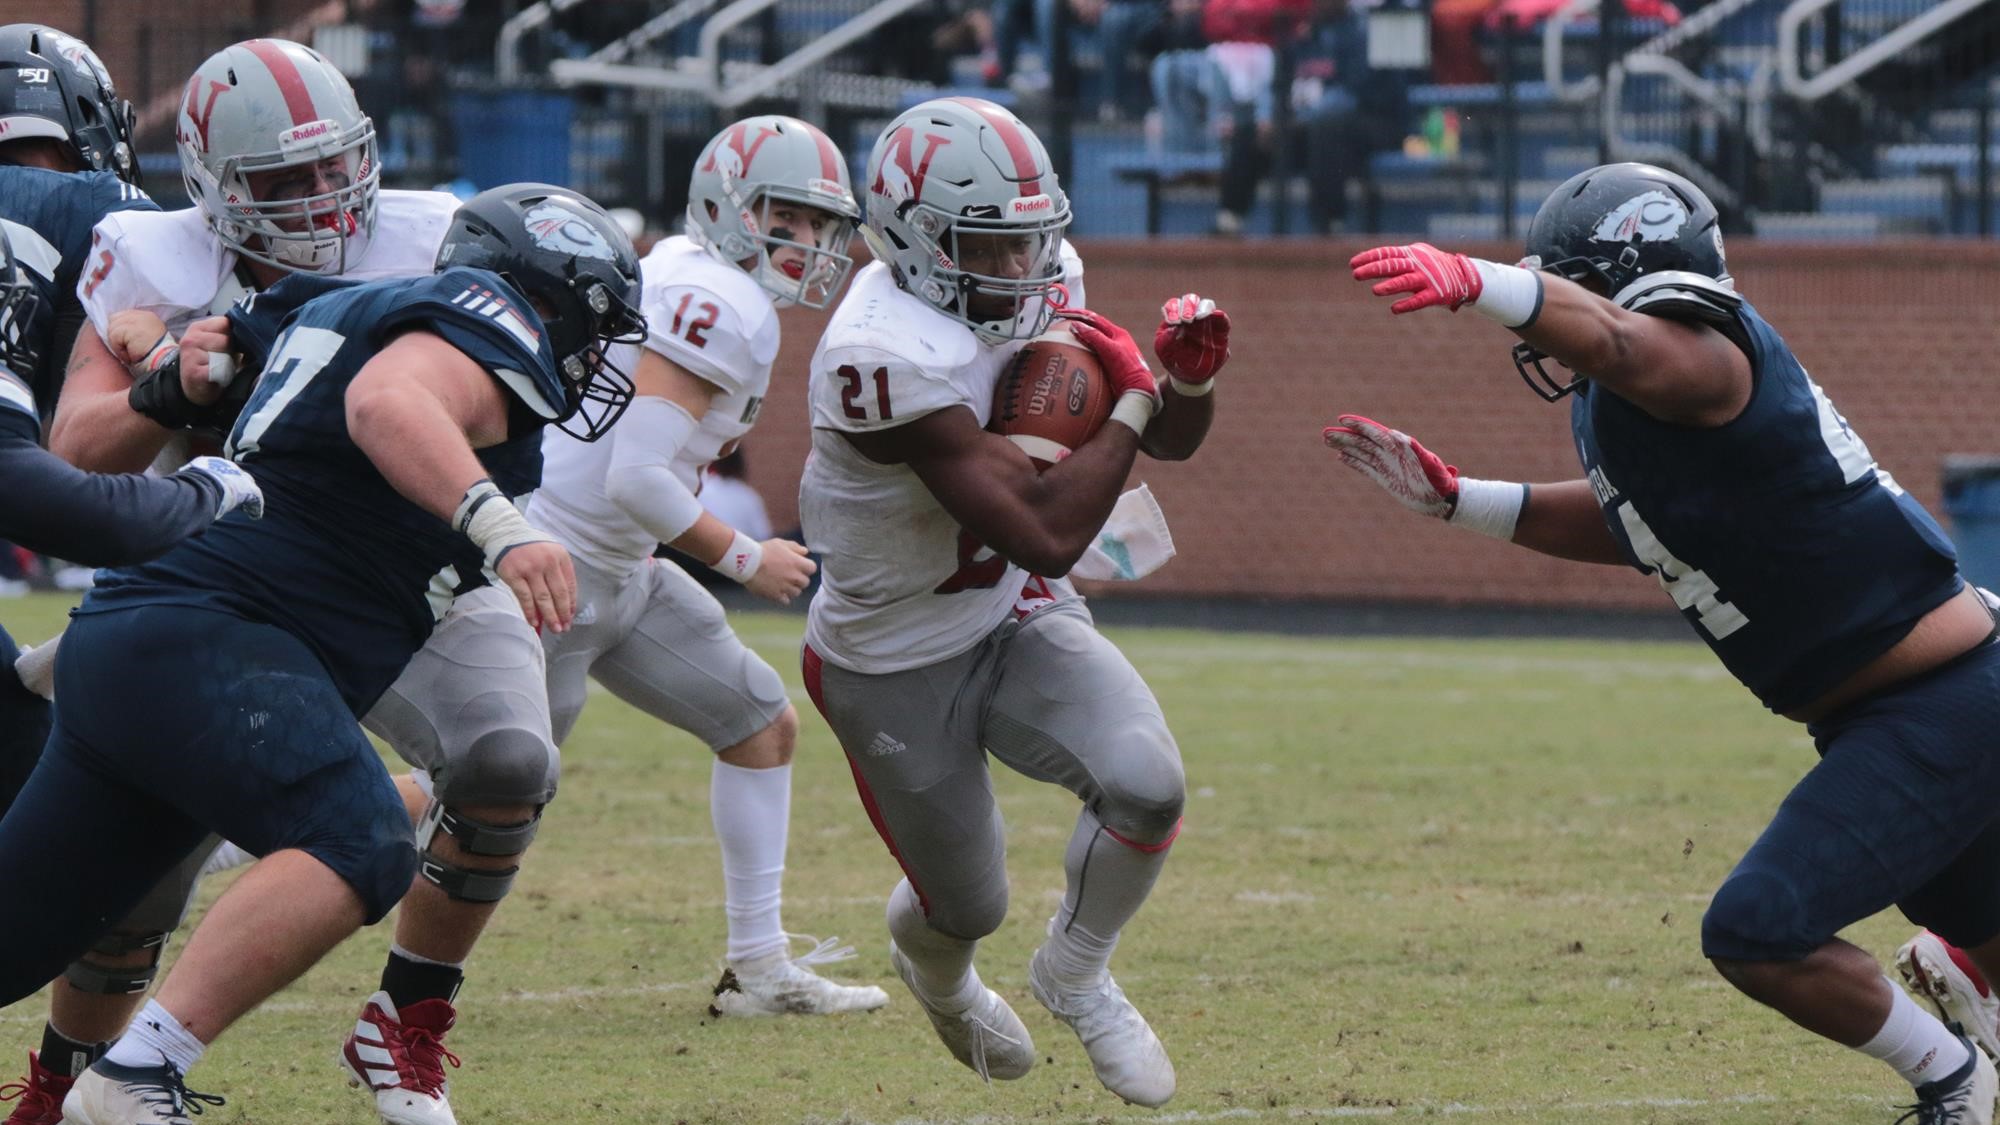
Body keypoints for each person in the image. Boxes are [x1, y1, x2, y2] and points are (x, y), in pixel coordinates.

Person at [1325, 161, 2000, 1124]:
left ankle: (1954, 1078)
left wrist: (1482, 283)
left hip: (1938, 705)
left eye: (1568, 282)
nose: (1562, 310)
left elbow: (1615, 337)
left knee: (1759, 929)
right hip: (1900, 708)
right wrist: (1460, 502)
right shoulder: (1636, 402)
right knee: (1979, 929)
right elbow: (1647, 527)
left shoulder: (1710, 360)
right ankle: (1968, 980)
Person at [0, 182, 643, 1125]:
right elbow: (388, 402)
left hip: (137, 632)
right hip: (222, 635)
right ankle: (139, 1073)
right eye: (596, 324)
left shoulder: (330, 303)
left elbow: (220, 346)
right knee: (359, 839)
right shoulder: (487, 314)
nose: (595, 355)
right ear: (545, 296)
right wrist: (500, 525)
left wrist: (162, 350)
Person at [2, 38, 478, 1125]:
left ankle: (378, 1036)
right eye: (280, 181)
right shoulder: (126, 238)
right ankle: (116, 1079)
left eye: (331, 168)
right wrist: (170, 398)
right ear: (213, 190)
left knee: (15, 935)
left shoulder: (429, 238)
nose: (318, 200)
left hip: (241, 603)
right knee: (351, 836)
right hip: (201, 599)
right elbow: (69, 458)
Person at [797, 95, 1231, 1108]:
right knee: (965, 904)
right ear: (912, 240)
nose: (1021, 271)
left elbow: (1152, 442)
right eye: (989, 249)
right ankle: (941, 982)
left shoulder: (1042, 279)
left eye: (1030, 242)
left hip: (1011, 611)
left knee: (1146, 782)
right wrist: (1128, 400)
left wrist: (1184, 386)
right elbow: (1041, 526)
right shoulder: (877, 352)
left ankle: (1075, 972)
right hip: (888, 656)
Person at [517, 115, 890, 1024]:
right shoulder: (722, 299)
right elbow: (636, 475)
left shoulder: (692, 269)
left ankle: (760, 965)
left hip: (616, 566)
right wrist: (745, 554)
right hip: (556, 571)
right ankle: (226, 843)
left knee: (759, 721)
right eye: (789, 220)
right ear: (733, 208)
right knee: (483, 785)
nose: (810, 245)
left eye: (819, 225)